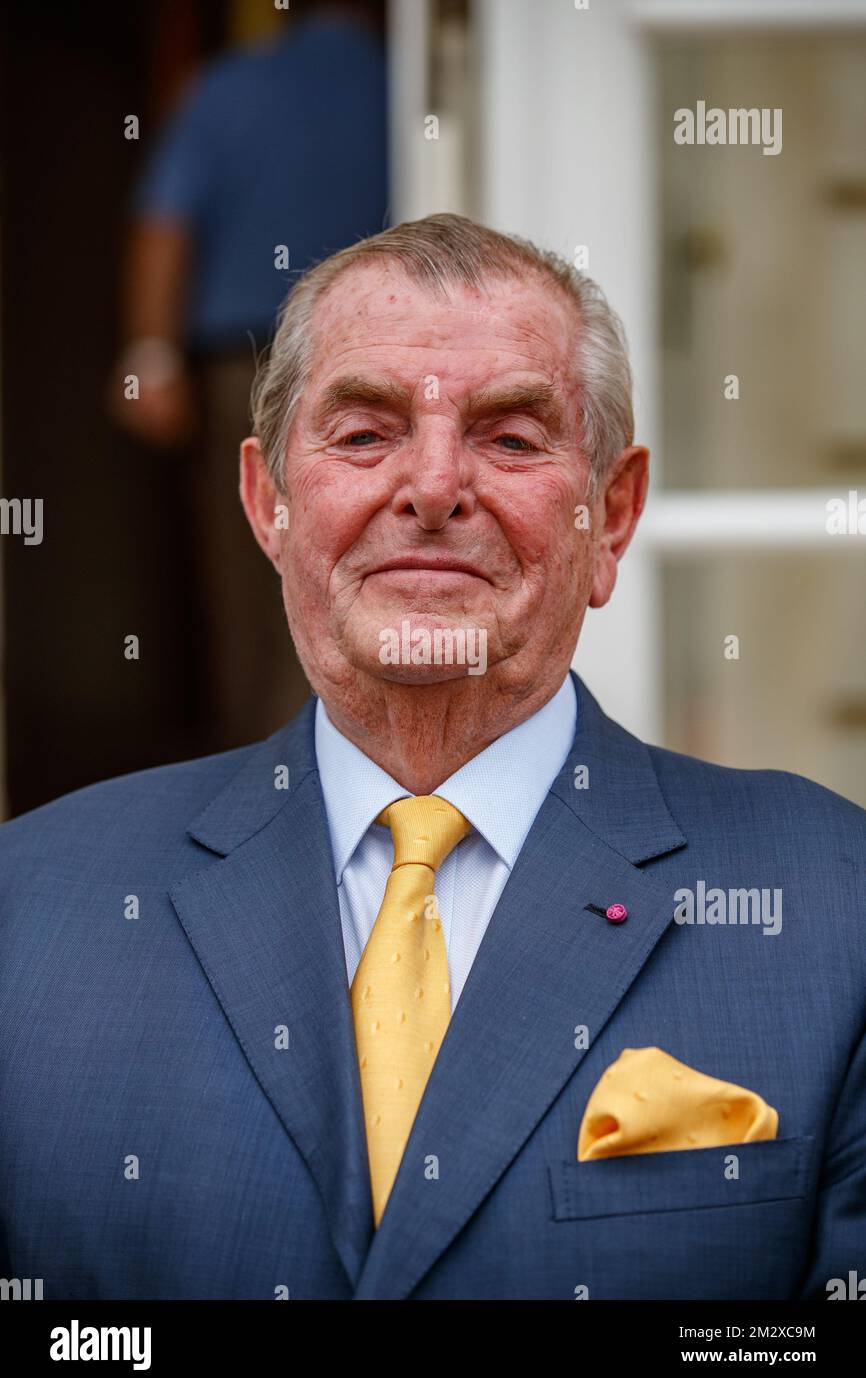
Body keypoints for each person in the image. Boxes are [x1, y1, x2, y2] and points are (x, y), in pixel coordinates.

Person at [2, 214, 863, 1300]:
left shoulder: (835, 903)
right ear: (268, 502)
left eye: (510, 438)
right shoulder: (28, 908)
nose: (432, 485)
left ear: (613, 514)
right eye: (364, 434)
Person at [109, 0, 388, 749]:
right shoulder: (412, 86)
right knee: (363, 581)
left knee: (252, 588)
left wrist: (149, 356)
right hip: (380, 375)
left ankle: (263, 778)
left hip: (249, 372)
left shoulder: (228, 85)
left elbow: (164, 221)